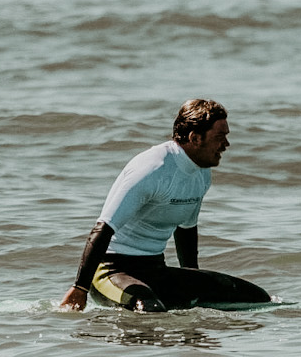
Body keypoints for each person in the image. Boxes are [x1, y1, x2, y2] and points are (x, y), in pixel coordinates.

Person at [56, 99, 272, 312]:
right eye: (219, 137)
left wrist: (193, 283)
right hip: (111, 271)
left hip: (154, 268)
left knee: (257, 298)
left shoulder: (201, 173)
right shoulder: (153, 169)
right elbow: (103, 228)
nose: (226, 144)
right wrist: (79, 288)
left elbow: (186, 229)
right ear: (195, 138)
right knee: (149, 309)